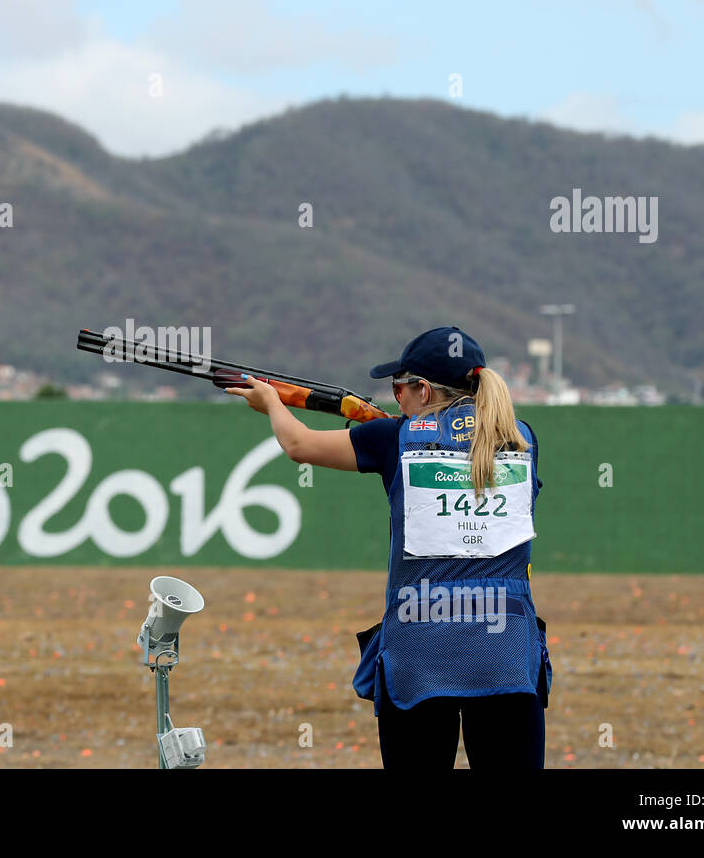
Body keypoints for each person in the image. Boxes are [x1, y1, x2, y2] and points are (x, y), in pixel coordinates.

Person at [225, 326, 551, 769]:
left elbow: (297, 444)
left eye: (399, 389)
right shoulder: (524, 438)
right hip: (507, 653)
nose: (396, 399)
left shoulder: (393, 440)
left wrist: (270, 403)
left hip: (420, 653)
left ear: (422, 389)